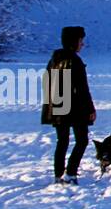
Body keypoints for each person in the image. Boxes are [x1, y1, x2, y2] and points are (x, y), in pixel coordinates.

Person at [41, 26, 96, 184]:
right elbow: (82, 88)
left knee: (62, 141)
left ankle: (58, 175)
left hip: (58, 105)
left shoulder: (54, 59)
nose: (82, 44)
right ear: (74, 42)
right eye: (81, 41)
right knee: (82, 140)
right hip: (76, 107)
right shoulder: (75, 61)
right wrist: (90, 109)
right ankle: (71, 173)